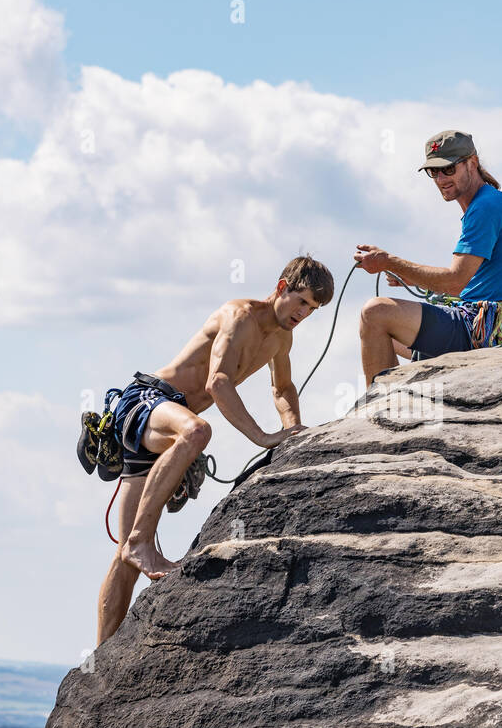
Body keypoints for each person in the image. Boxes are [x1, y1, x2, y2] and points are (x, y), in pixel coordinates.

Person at [95, 255, 334, 644]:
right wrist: (262, 437)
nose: (304, 313)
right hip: (147, 400)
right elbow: (218, 383)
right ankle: (142, 542)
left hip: (165, 423)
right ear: (281, 288)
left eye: (313, 308)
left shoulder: (281, 338)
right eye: (302, 301)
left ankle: (100, 662)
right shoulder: (238, 315)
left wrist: (292, 431)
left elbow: (283, 389)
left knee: (125, 559)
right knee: (196, 431)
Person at [354, 129, 502, 386]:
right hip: (484, 321)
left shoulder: (485, 207)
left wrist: (387, 261)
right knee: (381, 337)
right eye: (434, 172)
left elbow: (455, 282)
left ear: (472, 163)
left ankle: (383, 409)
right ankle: (394, 405)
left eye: (448, 169)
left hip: (486, 328)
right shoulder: (488, 203)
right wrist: (408, 277)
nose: (440, 179)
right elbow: (468, 282)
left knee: (374, 313)